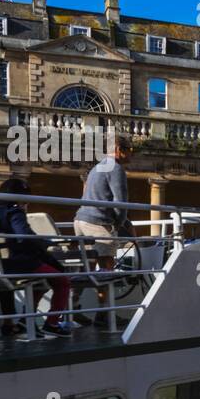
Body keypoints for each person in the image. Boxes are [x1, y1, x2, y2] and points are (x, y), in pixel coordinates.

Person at [0, 177, 73, 338]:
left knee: (42, 279)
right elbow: (25, 236)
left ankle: (23, 321)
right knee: (62, 280)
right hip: (18, 264)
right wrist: (44, 243)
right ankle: (52, 323)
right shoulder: (13, 212)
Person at [73, 139, 133, 327]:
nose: (131, 154)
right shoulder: (116, 168)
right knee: (107, 268)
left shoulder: (97, 167)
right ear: (120, 150)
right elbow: (120, 202)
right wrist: (120, 223)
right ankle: (104, 314)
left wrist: (123, 221)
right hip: (97, 222)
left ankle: (72, 307)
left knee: (88, 267)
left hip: (81, 220)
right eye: (130, 150)